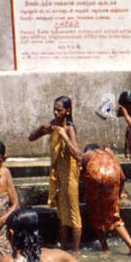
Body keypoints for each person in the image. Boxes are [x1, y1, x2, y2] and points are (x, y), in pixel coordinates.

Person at [28, 96, 81, 252]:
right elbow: (31, 138)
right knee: (62, 214)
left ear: (67, 111)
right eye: (54, 109)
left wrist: (64, 136)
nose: (56, 113)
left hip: (70, 174)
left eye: (59, 110)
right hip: (58, 175)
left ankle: (75, 253)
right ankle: (63, 248)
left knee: (74, 214)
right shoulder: (52, 125)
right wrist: (42, 127)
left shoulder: (69, 128)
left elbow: (78, 154)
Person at [71, 140, 131, 256]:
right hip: (112, 175)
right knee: (115, 218)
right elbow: (122, 177)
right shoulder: (108, 153)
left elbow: (81, 178)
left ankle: (105, 248)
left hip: (96, 177)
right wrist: (118, 195)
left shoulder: (86, 156)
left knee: (94, 213)